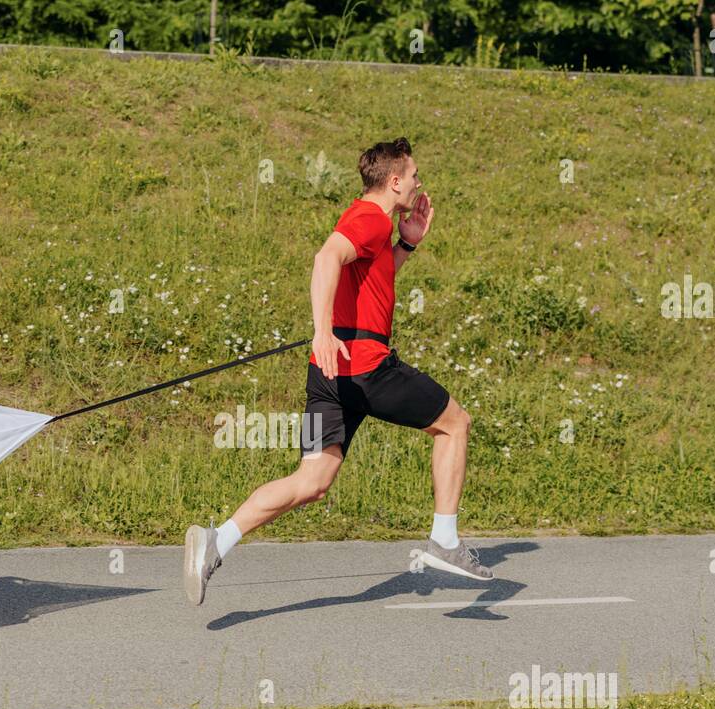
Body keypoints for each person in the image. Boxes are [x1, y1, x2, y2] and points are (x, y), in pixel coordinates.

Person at [184, 137, 490, 605]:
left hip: (328, 376)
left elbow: (372, 278)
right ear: (393, 180)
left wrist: (407, 243)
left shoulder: (368, 222)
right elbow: (325, 258)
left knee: (312, 481)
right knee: (455, 424)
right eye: (413, 175)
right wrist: (322, 331)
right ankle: (444, 539)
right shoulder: (368, 219)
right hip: (365, 369)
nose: (418, 182)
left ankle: (216, 541)